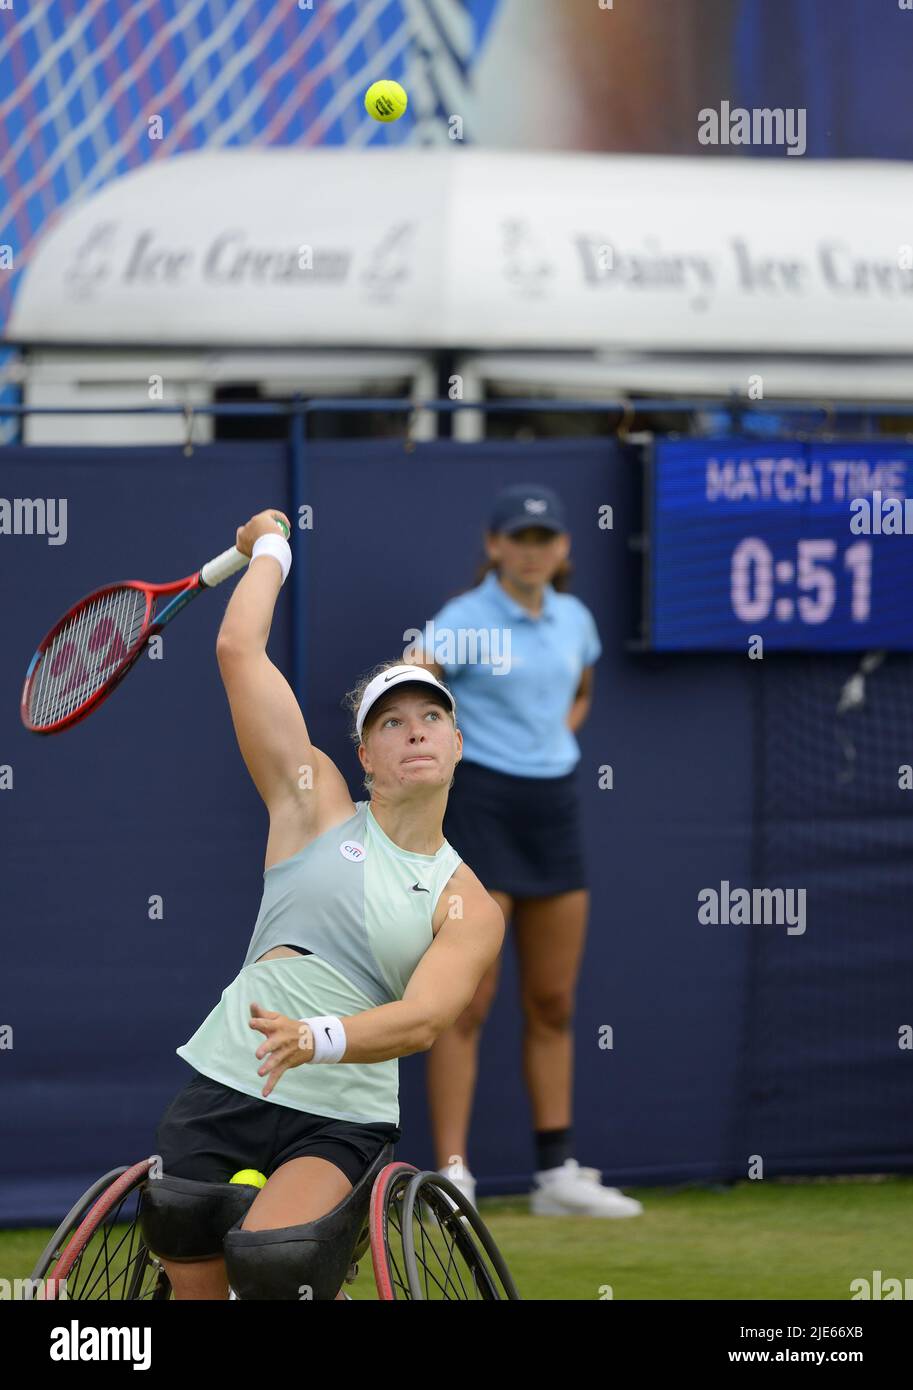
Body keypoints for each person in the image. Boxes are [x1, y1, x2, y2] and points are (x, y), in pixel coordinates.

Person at [151, 508, 504, 1299]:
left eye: (432, 717)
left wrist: (314, 1038)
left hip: (341, 1114)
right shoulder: (311, 804)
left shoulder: (466, 902)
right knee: (183, 1227)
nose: (415, 732)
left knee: (276, 1261)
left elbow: (422, 1021)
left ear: (456, 745)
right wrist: (269, 550)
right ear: (365, 754)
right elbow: (238, 651)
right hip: (228, 1075)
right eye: (392, 722)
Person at [408, 483, 642, 1217]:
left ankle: (555, 1177)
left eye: (544, 538)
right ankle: (453, 1175)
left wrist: (551, 738)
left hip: (553, 806)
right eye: (519, 538)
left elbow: (581, 690)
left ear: (562, 548)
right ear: (495, 545)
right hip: (479, 804)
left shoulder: (575, 618)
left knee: (553, 1000)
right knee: (468, 999)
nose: (532, 551)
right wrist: (445, 749)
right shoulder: (464, 618)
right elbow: (412, 684)